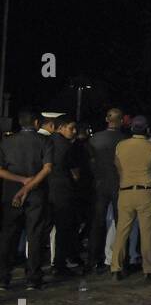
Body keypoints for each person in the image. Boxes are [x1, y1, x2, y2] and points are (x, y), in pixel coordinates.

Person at [0, 110, 54, 290]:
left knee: (8, 235)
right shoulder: (44, 141)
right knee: (35, 235)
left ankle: (3, 277)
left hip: (11, 192)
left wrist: (21, 182)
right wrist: (28, 185)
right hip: (37, 191)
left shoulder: (7, 141)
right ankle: (33, 278)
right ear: (37, 122)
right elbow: (47, 169)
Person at [111, 116, 151, 281]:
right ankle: (148, 269)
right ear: (147, 129)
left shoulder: (121, 145)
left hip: (125, 191)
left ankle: (116, 267)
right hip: (146, 191)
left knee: (122, 231)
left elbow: (118, 167)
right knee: (147, 232)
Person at [87, 109, 127, 274]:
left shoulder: (95, 139)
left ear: (106, 119)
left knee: (97, 222)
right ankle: (118, 260)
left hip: (99, 183)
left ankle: (92, 259)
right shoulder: (124, 140)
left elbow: (90, 162)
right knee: (121, 223)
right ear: (122, 121)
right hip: (119, 184)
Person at [48, 116, 82, 276]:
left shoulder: (46, 141)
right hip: (63, 190)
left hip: (45, 189)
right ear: (60, 127)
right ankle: (59, 264)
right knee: (63, 228)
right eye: (71, 128)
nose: (74, 132)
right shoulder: (66, 146)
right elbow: (75, 173)